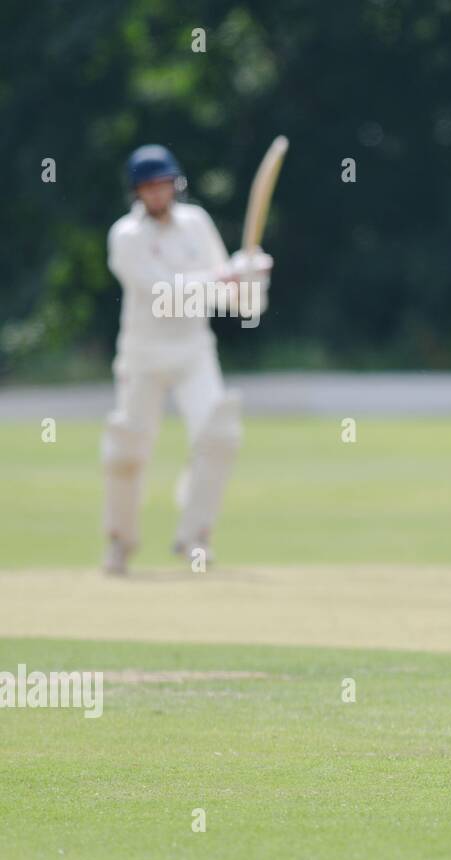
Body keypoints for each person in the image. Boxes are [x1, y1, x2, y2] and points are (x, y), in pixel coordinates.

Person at [101, 144, 272, 574]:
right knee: (128, 448)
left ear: (174, 185)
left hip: (193, 350)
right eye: (149, 187)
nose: (158, 194)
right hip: (142, 353)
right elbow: (163, 295)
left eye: (164, 185)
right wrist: (225, 275)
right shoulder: (126, 236)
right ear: (137, 192)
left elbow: (241, 306)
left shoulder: (196, 224)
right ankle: (120, 542)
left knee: (220, 435)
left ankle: (196, 539)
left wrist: (253, 280)